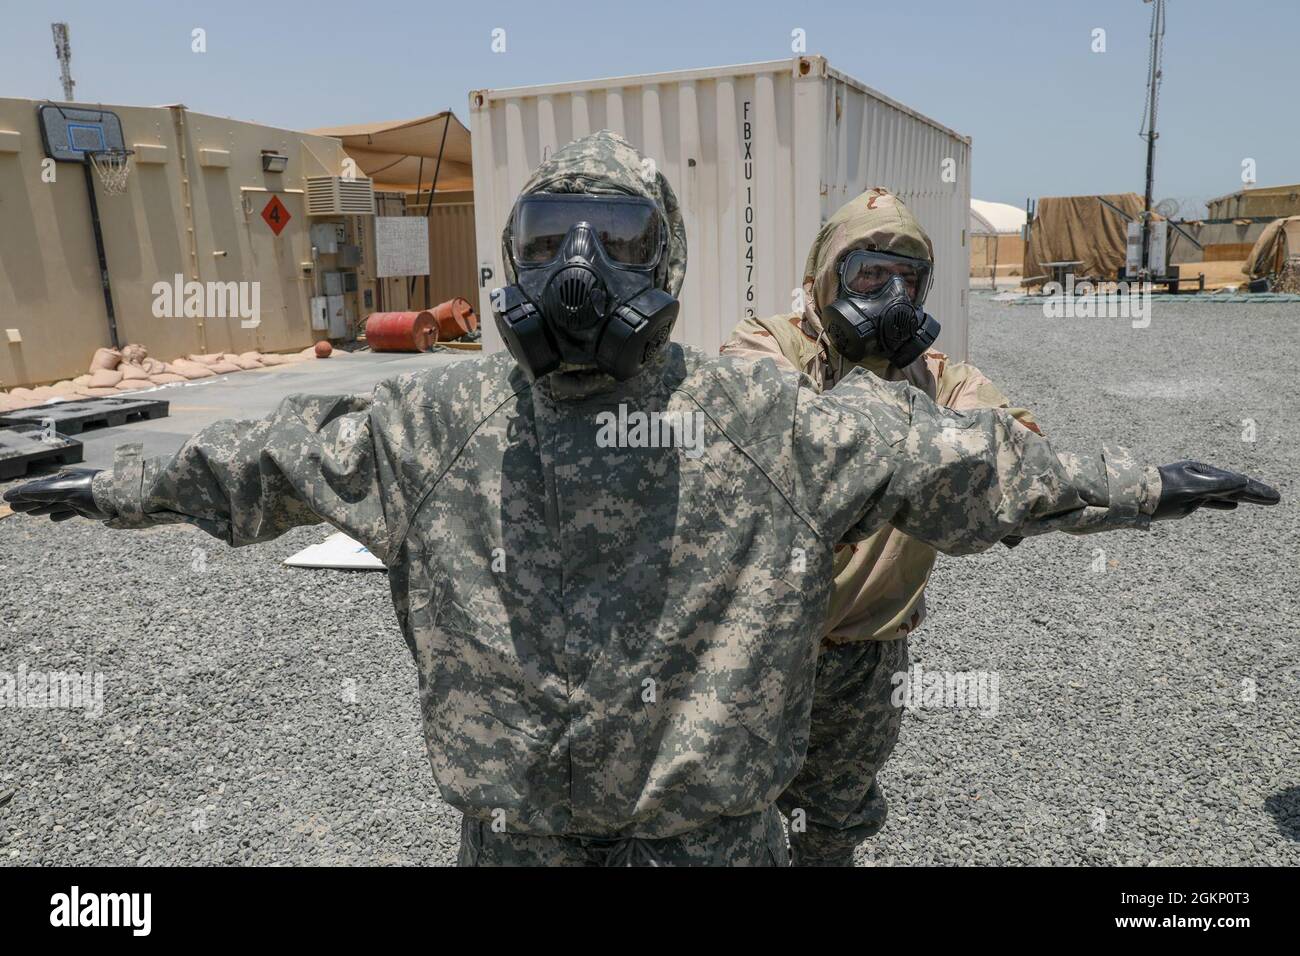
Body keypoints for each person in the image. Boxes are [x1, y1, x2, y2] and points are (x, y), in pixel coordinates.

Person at [5, 131, 1279, 867]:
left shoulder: (766, 420)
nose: (577, 272)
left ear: (661, 259)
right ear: (511, 259)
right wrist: (99, 479)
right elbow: (249, 463)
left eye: (613, 243)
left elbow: (971, 469)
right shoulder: (434, 428)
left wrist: (1146, 478)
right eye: (552, 236)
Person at [720, 187, 1037, 865]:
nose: (891, 295)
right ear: (827, 275)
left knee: (833, 823)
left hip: (866, 656)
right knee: (727, 820)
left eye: (907, 278)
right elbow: (785, 438)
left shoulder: (940, 377)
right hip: (756, 646)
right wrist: (927, 444)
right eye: (869, 274)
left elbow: (1018, 460)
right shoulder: (767, 344)